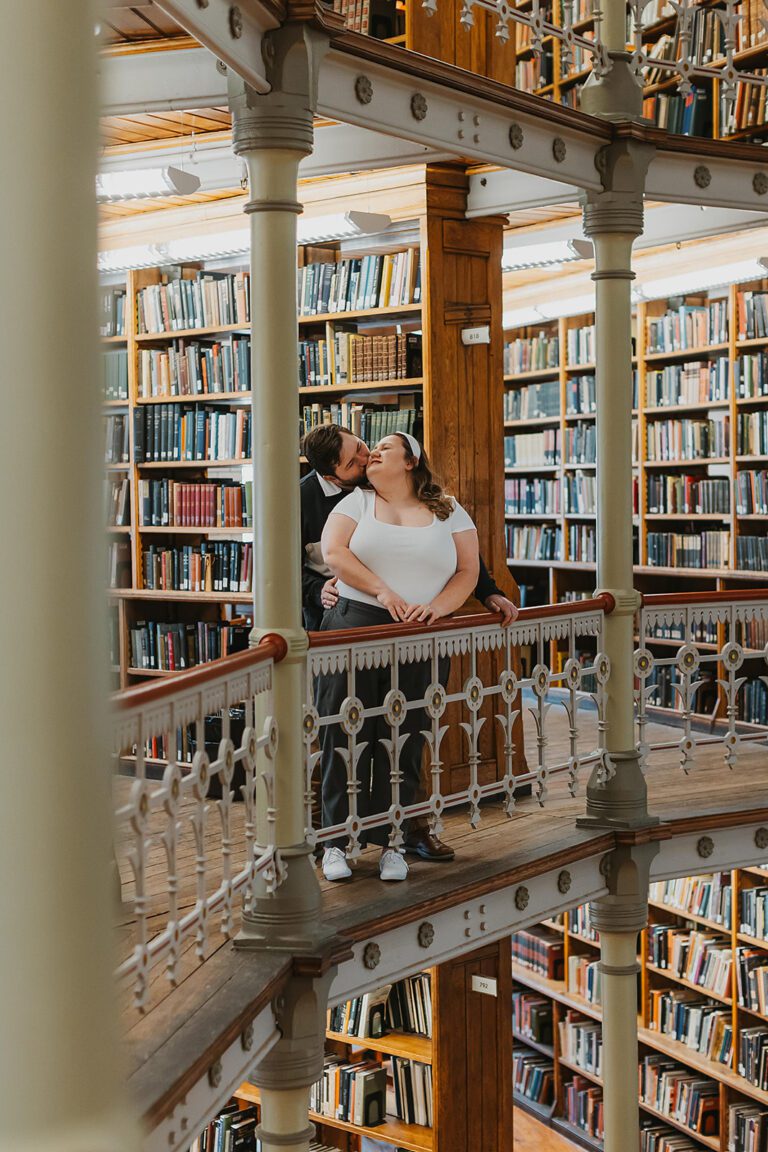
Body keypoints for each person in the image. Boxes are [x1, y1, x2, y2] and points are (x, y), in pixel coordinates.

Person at [301, 424, 519, 863]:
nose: (369, 455)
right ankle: (335, 841)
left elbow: (466, 568)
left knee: (408, 734)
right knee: (342, 733)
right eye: (359, 455)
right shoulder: (349, 501)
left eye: (379, 447)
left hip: (422, 633)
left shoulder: (449, 508)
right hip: (353, 626)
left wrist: (443, 607)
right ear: (336, 472)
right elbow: (333, 555)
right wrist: (368, 592)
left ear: (411, 461)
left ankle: (398, 836)